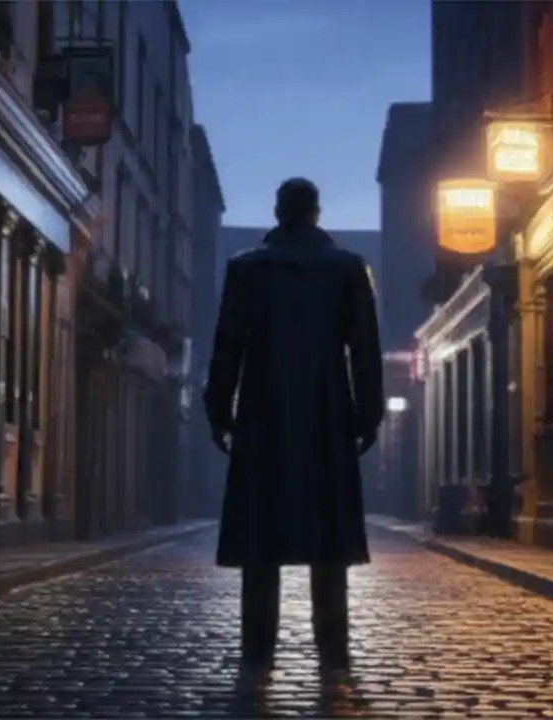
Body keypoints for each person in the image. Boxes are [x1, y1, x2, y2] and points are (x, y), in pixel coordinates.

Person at [204, 177, 384, 672]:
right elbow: (364, 349)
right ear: (316, 212)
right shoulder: (348, 269)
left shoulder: (246, 269)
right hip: (327, 413)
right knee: (328, 542)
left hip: (262, 413)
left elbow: (227, 348)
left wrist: (219, 410)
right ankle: (333, 647)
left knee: (261, 538)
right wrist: (369, 414)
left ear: (278, 211)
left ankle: (258, 648)